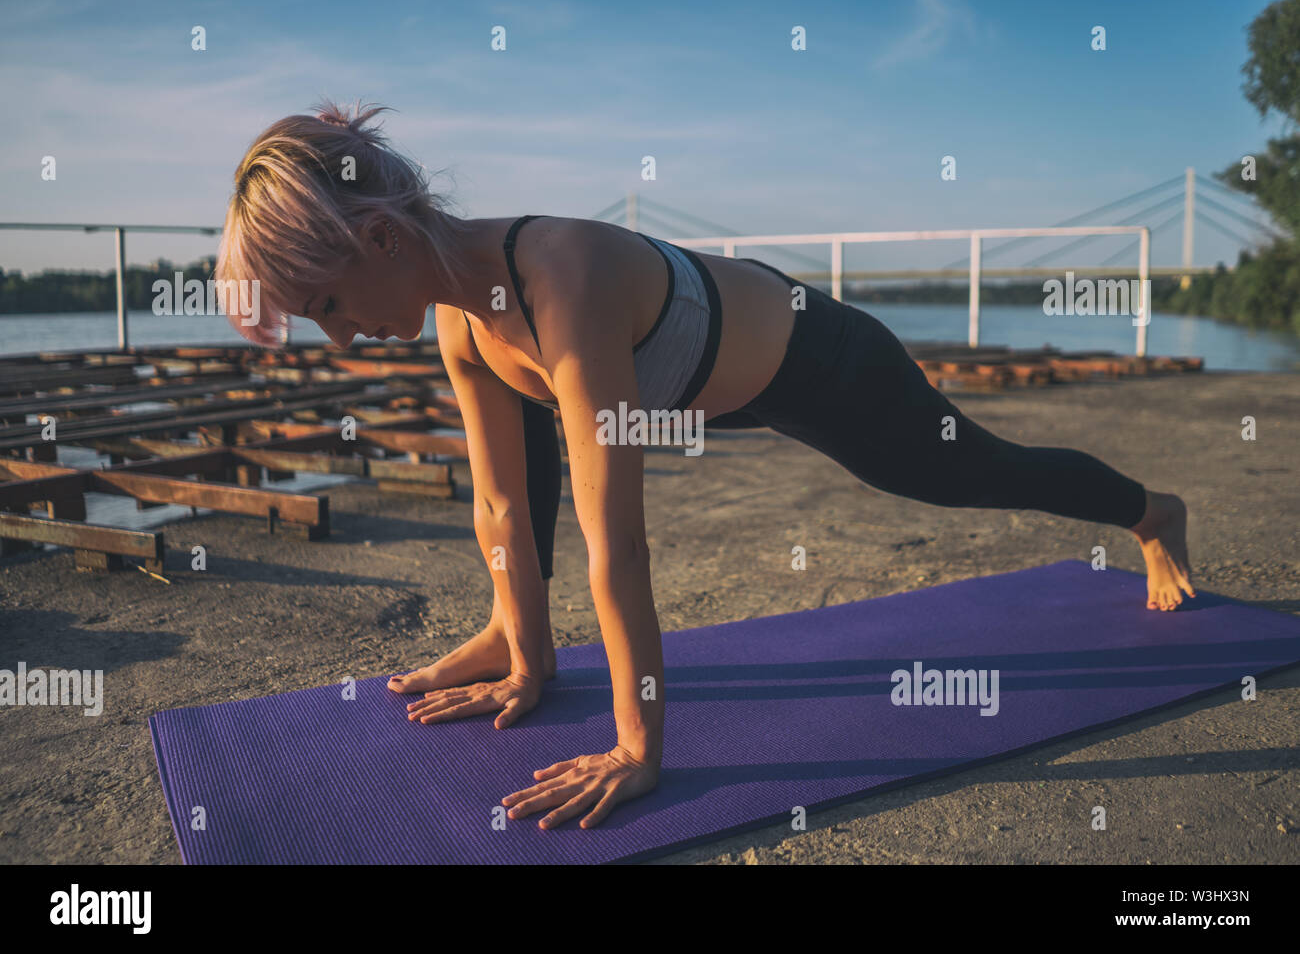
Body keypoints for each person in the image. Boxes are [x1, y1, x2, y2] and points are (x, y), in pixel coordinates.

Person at [216, 100, 1195, 831]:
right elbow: (502, 508)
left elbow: (619, 543)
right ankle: (526, 644)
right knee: (515, 474)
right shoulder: (466, 332)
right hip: (707, 388)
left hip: (820, 362)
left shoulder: (560, 277)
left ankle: (1149, 511)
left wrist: (637, 745)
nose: (342, 337)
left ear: (381, 236)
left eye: (334, 307)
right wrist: (522, 649)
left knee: (968, 471)